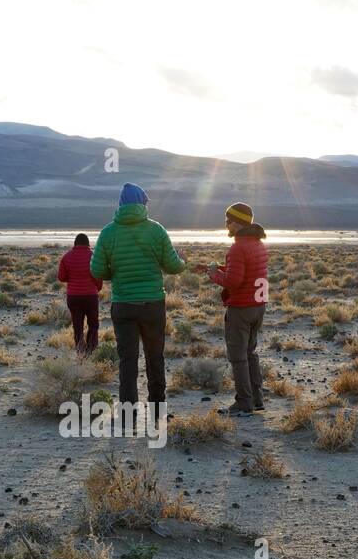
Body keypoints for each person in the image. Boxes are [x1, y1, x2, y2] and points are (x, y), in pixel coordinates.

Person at [89, 183, 186, 427]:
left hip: (123, 304)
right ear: (143, 204)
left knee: (128, 361)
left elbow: (97, 270)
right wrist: (182, 260)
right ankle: (157, 415)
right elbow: (173, 266)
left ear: (121, 205)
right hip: (153, 304)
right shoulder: (156, 230)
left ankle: (127, 417)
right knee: (156, 358)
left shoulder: (108, 233)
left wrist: (117, 272)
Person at [197, 202, 269, 415]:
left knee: (238, 358)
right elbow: (246, 272)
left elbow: (234, 282)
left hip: (241, 308)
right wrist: (218, 267)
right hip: (258, 306)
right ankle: (257, 399)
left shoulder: (238, 247)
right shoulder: (257, 244)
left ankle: (243, 404)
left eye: (228, 220)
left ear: (237, 223)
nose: (226, 224)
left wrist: (213, 275)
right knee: (250, 353)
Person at [57, 232, 102, 355]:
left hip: (73, 297)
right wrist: (97, 287)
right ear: (88, 244)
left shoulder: (66, 257)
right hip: (90, 296)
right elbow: (98, 275)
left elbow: (61, 277)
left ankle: (80, 351)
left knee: (77, 325)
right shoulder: (93, 256)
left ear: (75, 244)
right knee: (93, 324)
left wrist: (72, 279)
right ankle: (91, 350)